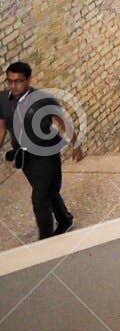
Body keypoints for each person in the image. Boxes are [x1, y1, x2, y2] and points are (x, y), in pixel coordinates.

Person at [1, 61, 79, 240]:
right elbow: (2, 127)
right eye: (10, 81)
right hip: (24, 157)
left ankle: (45, 241)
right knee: (46, 191)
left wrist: (76, 145)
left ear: (28, 80)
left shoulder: (43, 99)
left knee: (39, 199)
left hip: (46, 154)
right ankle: (65, 219)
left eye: (18, 81)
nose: (13, 85)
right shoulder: (3, 100)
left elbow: (63, 121)